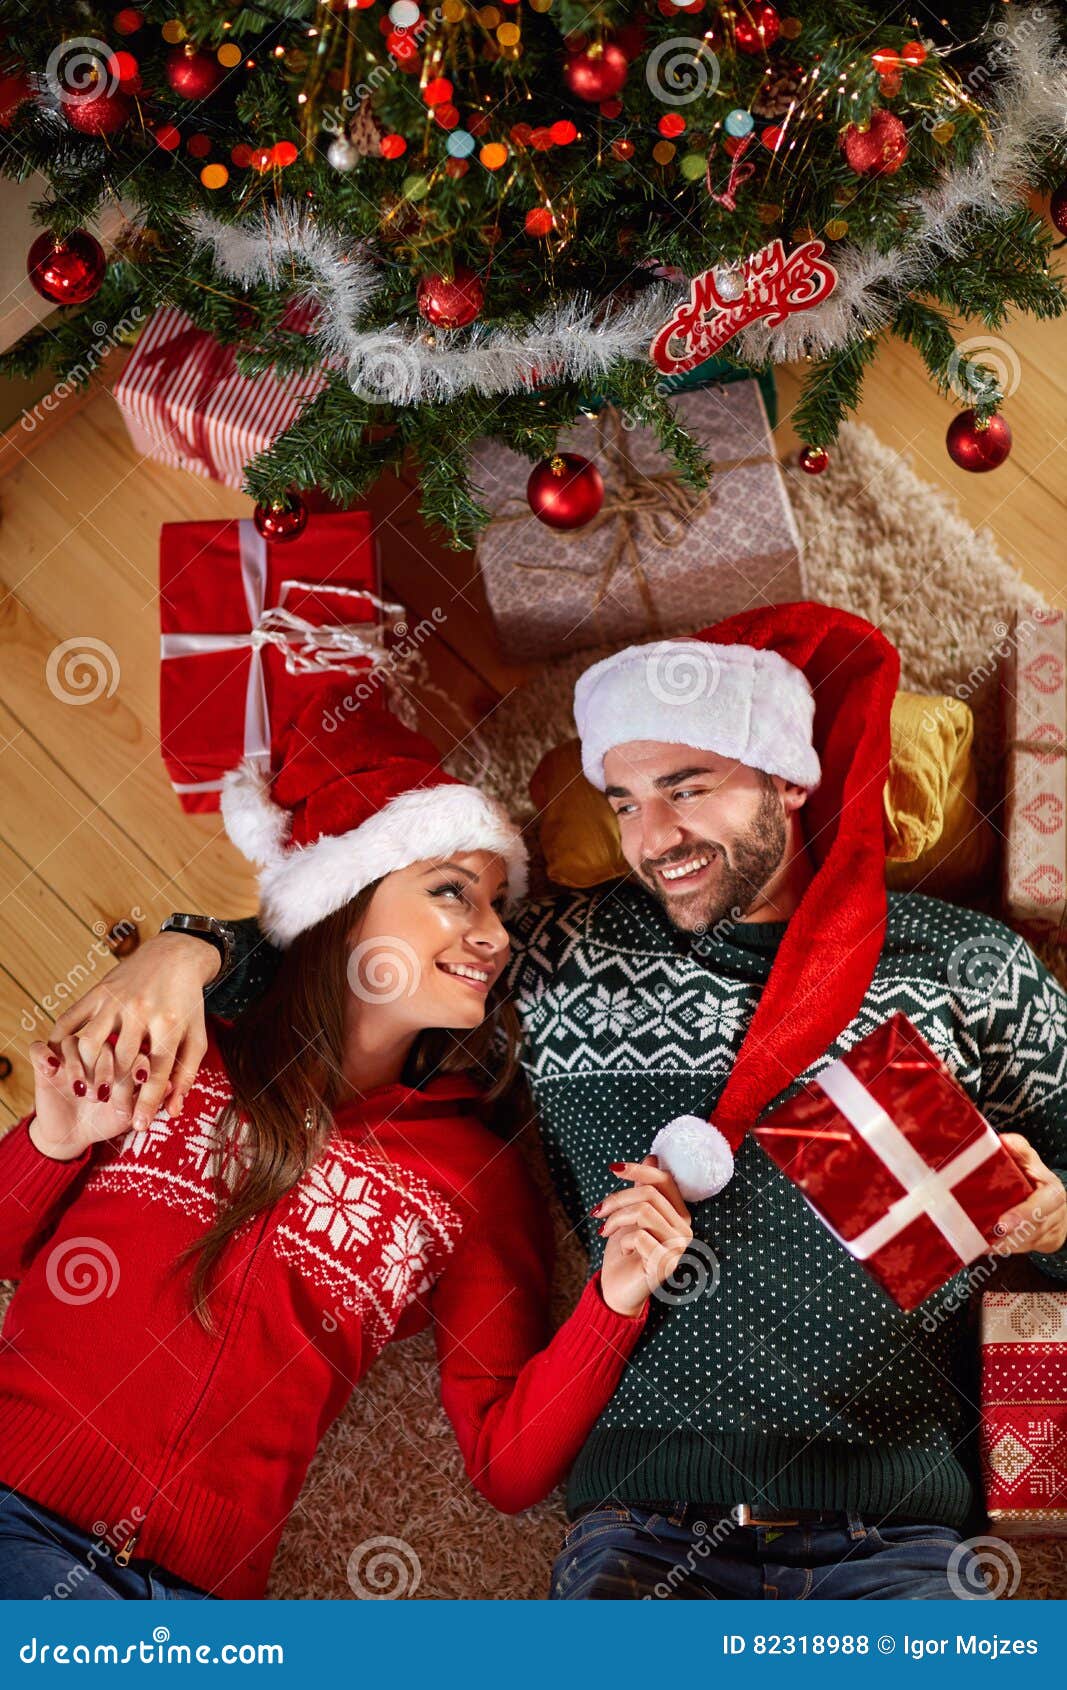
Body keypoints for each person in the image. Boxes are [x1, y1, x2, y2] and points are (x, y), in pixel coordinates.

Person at [49, 602, 1067, 1601]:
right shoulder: (558, 950)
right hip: (643, 1529)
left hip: (892, 1528)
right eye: (623, 802)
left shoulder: (966, 962)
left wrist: (1049, 1216)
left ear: (786, 780)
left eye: (686, 788)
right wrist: (189, 950)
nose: (653, 836)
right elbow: (358, 941)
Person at [0, 693, 694, 1601]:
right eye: (451, 892)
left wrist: (615, 1300)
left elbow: (506, 1466)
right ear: (345, 903)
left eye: (495, 906)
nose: (490, 934)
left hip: (202, 1598)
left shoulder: (473, 1181)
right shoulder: (194, 1042)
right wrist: (53, 1140)